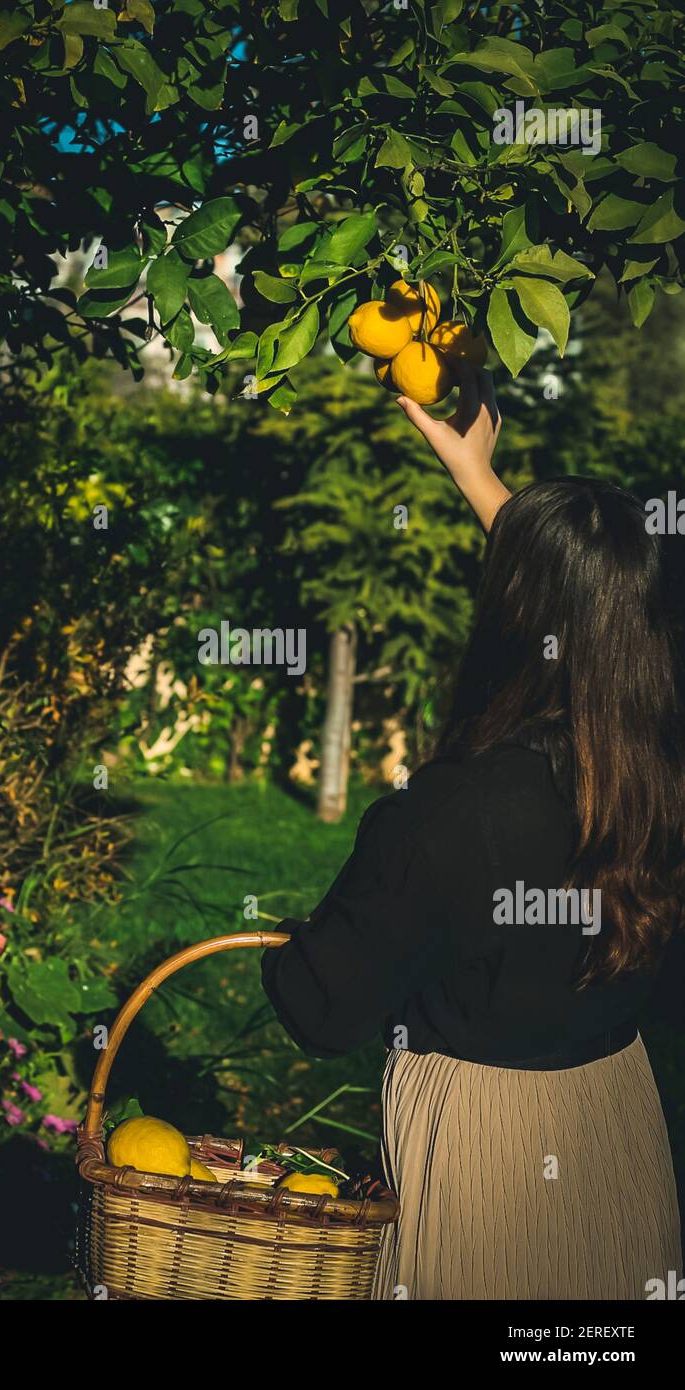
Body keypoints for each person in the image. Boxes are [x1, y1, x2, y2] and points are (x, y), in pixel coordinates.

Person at [261, 362, 684, 1300]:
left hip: (485, 1163)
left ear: (511, 616)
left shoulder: (449, 814)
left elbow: (321, 1007)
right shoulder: (659, 774)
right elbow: (620, 619)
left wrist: (293, 944)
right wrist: (485, 489)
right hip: (617, 1125)